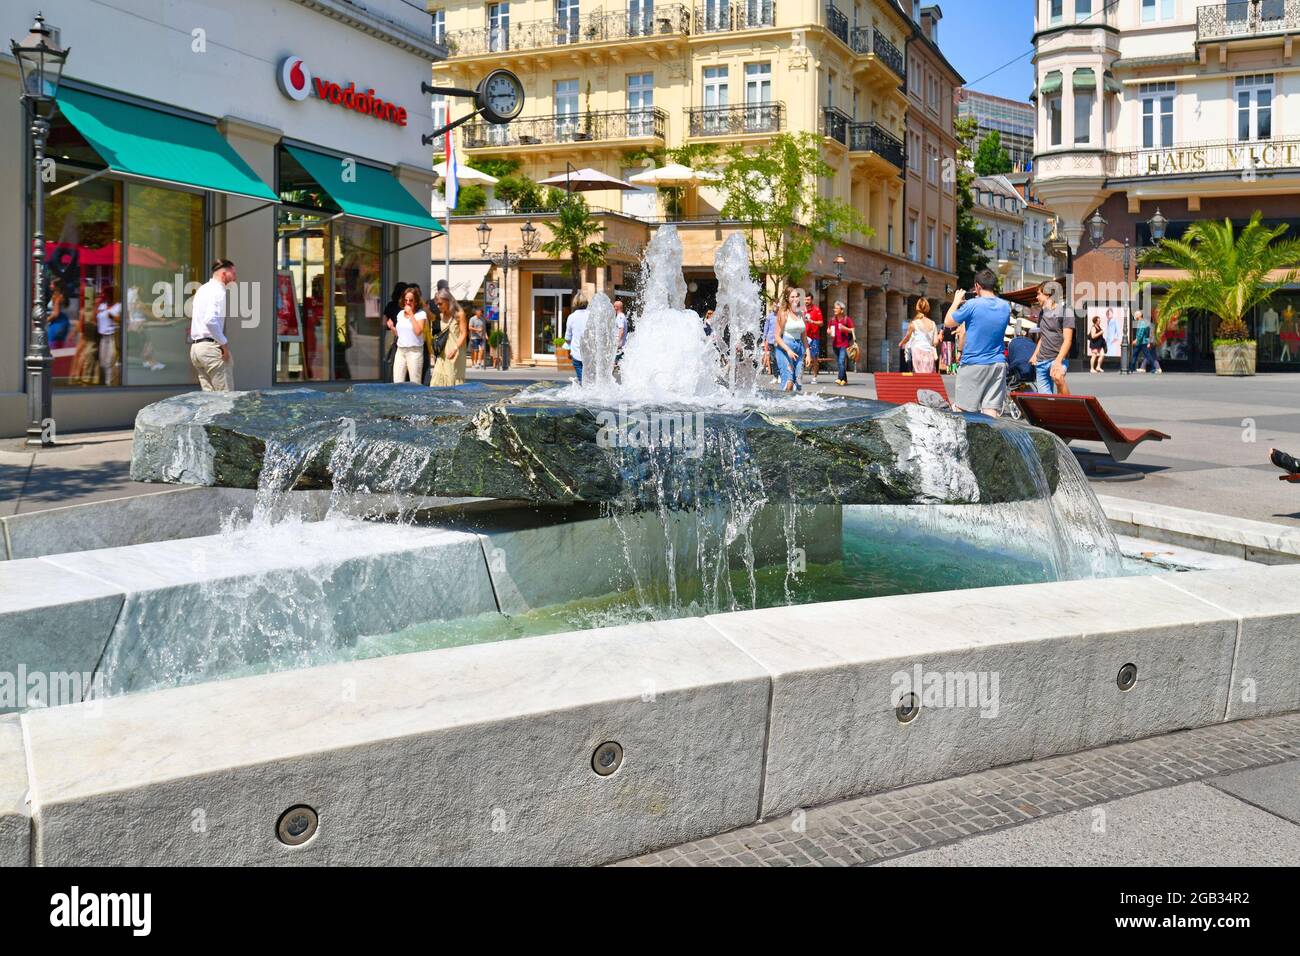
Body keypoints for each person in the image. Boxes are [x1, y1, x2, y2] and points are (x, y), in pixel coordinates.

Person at [945, 269, 1010, 417]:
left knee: (964, 410)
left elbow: (948, 323)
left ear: (977, 286)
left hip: (973, 362)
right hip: (997, 363)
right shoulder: (1005, 306)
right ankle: (989, 439)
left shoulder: (972, 305)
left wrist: (956, 301)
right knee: (990, 410)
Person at [190, 260, 236, 391]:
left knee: (210, 401)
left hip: (196, 349)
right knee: (226, 400)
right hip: (211, 349)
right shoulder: (218, 291)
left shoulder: (203, 289)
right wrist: (224, 345)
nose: (235, 277)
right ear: (223, 274)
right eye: (233, 273)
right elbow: (210, 320)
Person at [1030, 283, 1073, 394]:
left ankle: (1070, 409)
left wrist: (1058, 361)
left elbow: (1068, 340)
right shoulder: (1042, 313)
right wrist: (1035, 354)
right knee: (1045, 400)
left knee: (1058, 379)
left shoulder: (1066, 311)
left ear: (1048, 295)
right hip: (1041, 361)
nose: (1037, 297)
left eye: (1039, 294)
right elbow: (1043, 336)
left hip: (1057, 358)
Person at [429, 288, 468, 386]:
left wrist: (455, 349)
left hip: (456, 351)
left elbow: (464, 333)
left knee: (452, 380)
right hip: (443, 352)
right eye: (437, 304)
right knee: (435, 381)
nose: (438, 306)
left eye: (440, 304)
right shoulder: (441, 315)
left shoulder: (459, 314)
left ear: (448, 301)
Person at [388, 286, 427, 383]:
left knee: (415, 382)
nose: (408, 302)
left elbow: (418, 332)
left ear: (416, 301)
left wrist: (411, 315)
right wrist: (392, 327)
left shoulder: (421, 314)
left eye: (411, 300)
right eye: (406, 300)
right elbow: (399, 334)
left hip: (414, 351)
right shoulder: (400, 314)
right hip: (401, 351)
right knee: (397, 381)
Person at [774, 286, 809, 392]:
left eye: (797, 296)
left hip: (799, 349)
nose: (795, 299)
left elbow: (804, 336)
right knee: (789, 382)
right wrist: (788, 350)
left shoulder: (801, 313)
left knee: (798, 383)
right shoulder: (783, 313)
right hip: (785, 349)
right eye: (792, 297)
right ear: (787, 299)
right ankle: (783, 406)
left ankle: (793, 406)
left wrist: (808, 353)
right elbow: (777, 336)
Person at [900, 298, 939, 375]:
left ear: (917, 308)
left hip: (917, 353)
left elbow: (907, 337)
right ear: (928, 308)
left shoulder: (914, 323)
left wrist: (901, 343)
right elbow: (935, 342)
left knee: (918, 378)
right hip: (929, 354)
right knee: (928, 379)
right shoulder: (933, 323)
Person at [96, 288, 122, 386]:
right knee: (103, 361)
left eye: (104, 293)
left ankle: (110, 384)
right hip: (103, 337)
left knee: (110, 361)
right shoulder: (102, 305)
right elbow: (96, 316)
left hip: (113, 336)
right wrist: (96, 304)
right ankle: (106, 382)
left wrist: (112, 316)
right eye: (102, 293)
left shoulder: (119, 306)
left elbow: (124, 320)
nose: (103, 295)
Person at [827, 300, 856, 386]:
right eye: (834, 308)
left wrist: (845, 329)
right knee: (840, 363)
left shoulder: (847, 319)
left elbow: (853, 330)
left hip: (844, 344)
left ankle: (839, 378)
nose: (834, 309)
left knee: (841, 361)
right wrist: (828, 331)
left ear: (842, 310)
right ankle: (845, 380)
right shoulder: (832, 320)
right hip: (835, 344)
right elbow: (828, 329)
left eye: (836, 308)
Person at [565, 291, 590, 384]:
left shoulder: (571, 317)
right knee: (591, 381)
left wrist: (569, 350)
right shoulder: (591, 315)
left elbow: (567, 338)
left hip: (577, 353)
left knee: (583, 382)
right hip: (590, 354)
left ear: (575, 303)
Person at [804, 297, 824, 384]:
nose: (806, 301)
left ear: (812, 300)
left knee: (814, 357)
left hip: (814, 337)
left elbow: (821, 323)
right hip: (804, 336)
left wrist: (812, 322)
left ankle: (814, 377)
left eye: (808, 300)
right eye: (805, 300)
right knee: (800, 355)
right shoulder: (802, 310)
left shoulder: (816, 310)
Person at [762, 305, 778, 382]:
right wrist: (765, 339)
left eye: (777, 305)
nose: (775, 307)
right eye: (774, 305)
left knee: (780, 358)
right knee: (773, 358)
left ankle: (781, 375)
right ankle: (775, 376)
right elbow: (766, 327)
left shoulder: (781, 315)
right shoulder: (769, 317)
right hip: (771, 340)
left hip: (779, 340)